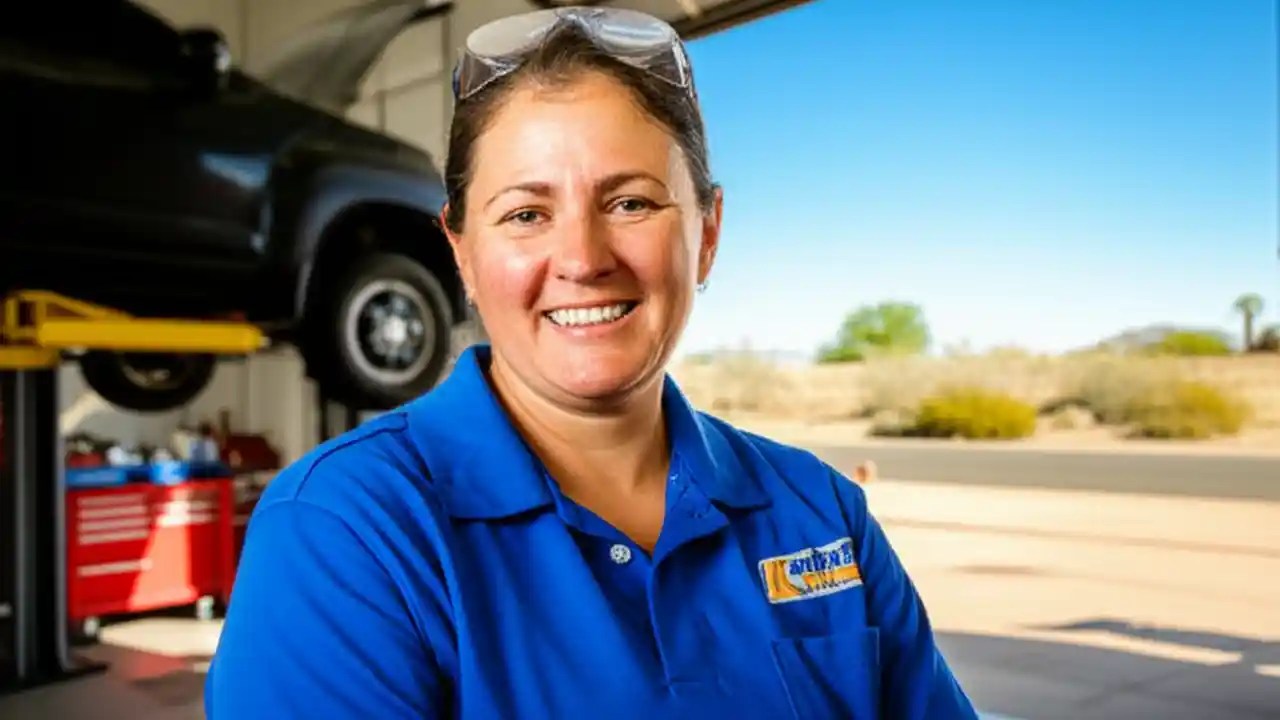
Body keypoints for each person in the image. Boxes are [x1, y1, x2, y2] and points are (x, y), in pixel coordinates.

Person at [205, 6, 978, 719]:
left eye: (631, 203)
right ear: (463, 254)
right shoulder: (349, 528)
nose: (581, 258)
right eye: (526, 214)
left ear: (706, 233)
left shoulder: (819, 511)